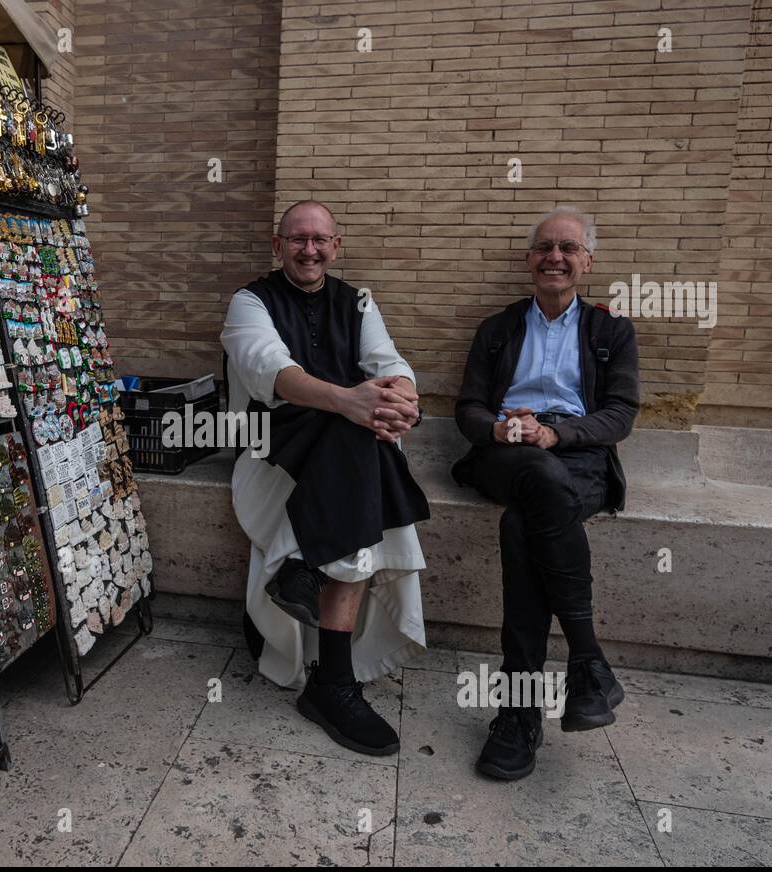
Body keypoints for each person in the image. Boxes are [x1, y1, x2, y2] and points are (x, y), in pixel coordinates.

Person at [220, 200, 430, 757]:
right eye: (296, 239)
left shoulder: (357, 301)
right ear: (276, 244)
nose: (308, 249)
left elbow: (388, 362)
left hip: (344, 461)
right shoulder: (249, 302)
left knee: (363, 437)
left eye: (319, 240)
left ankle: (301, 577)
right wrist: (349, 401)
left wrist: (402, 400)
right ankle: (330, 675)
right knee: (361, 436)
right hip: (272, 456)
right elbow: (272, 370)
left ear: (337, 246)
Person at [451, 205, 640, 780]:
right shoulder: (499, 327)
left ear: (587, 260)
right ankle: (586, 660)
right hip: (505, 454)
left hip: (576, 458)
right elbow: (467, 408)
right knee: (534, 476)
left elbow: (621, 414)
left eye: (568, 248)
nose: (554, 258)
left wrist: (557, 432)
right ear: (529, 258)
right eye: (543, 248)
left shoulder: (612, 330)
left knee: (520, 524)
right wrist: (500, 428)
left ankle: (519, 711)